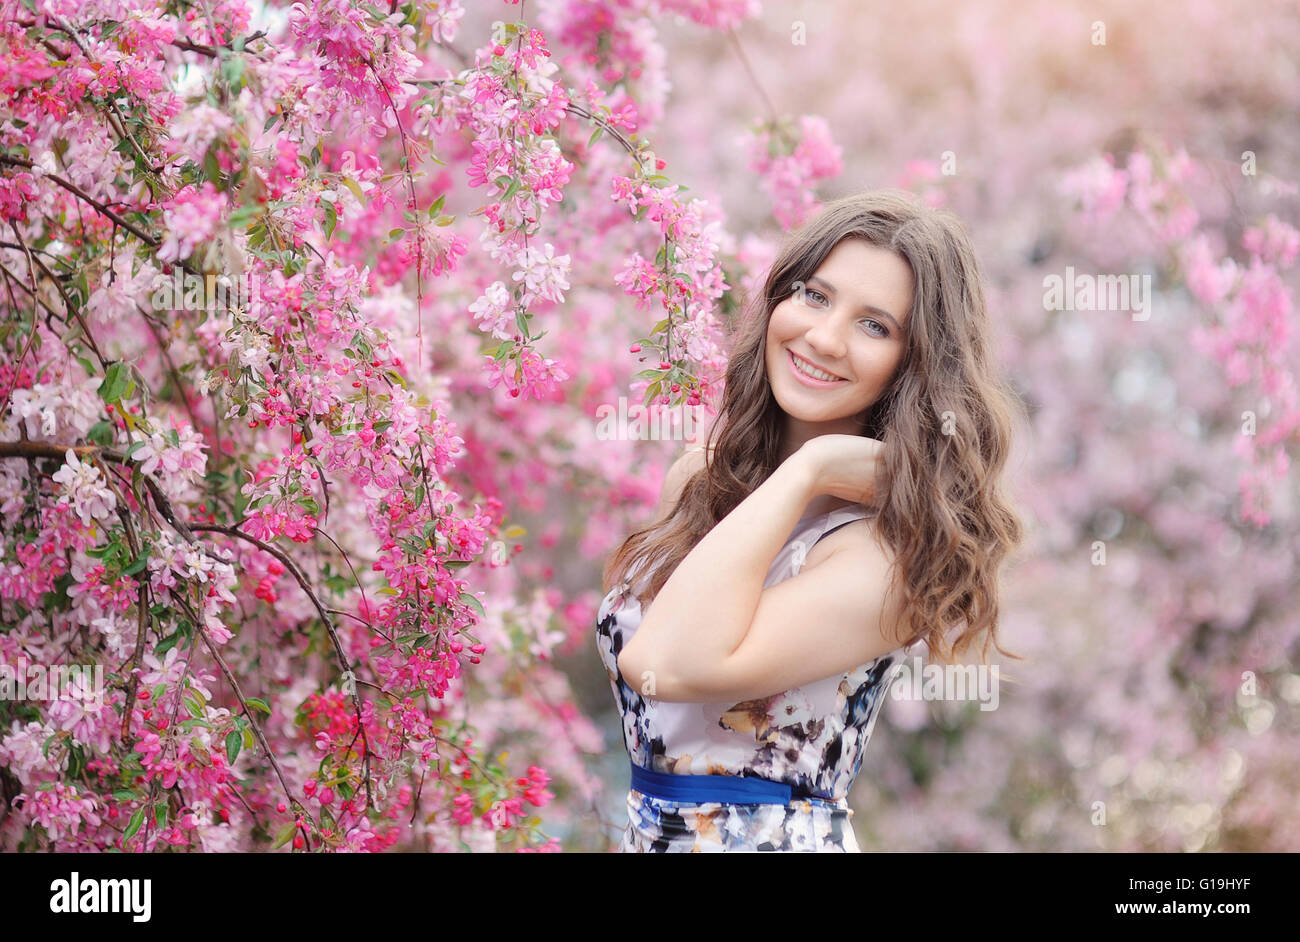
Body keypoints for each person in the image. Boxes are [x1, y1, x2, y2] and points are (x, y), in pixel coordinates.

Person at [595, 188, 1025, 852]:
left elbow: (665, 661)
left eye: (874, 326)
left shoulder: (887, 557)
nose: (823, 338)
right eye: (815, 296)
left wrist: (813, 467)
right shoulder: (701, 482)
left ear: (914, 367)